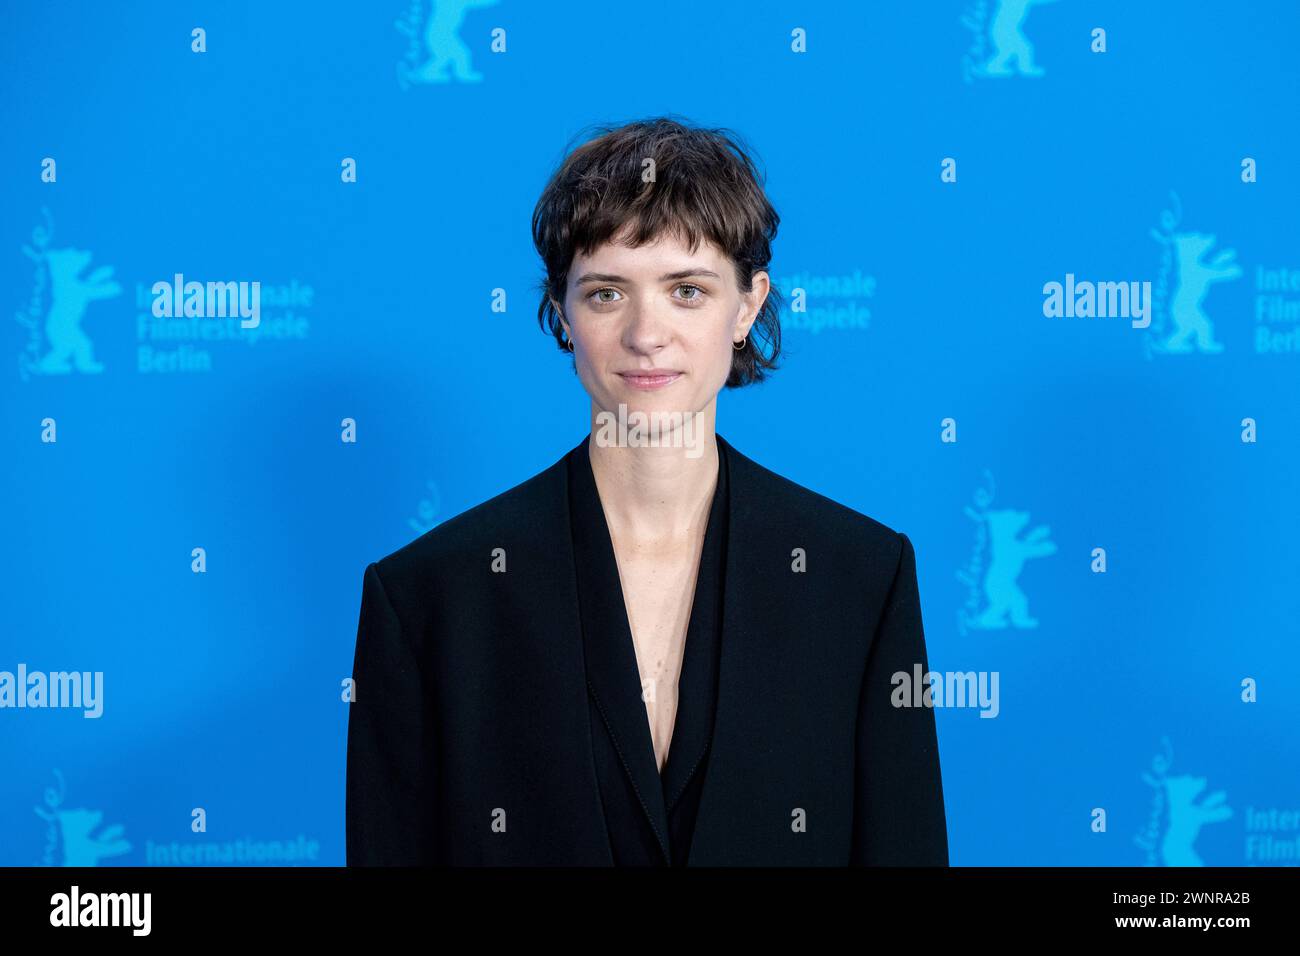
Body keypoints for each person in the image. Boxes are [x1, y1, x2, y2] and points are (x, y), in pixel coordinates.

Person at [346, 116, 948, 866]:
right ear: (562, 312)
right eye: (606, 294)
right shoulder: (428, 596)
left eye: (687, 290)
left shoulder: (861, 577)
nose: (645, 334)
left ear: (748, 305)